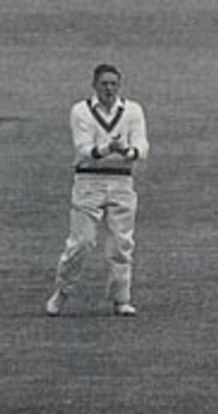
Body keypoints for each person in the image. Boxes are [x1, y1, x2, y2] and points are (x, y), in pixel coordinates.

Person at [46, 63, 150, 317]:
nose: (109, 88)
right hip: (88, 183)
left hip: (122, 183)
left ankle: (121, 299)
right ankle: (62, 292)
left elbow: (142, 147)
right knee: (81, 243)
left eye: (113, 84)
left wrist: (126, 151)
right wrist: (108, 149)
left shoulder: (132, 110)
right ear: (94, 85)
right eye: (104, 84)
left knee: (121, 244)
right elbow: (84, 149)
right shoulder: (81, 111)